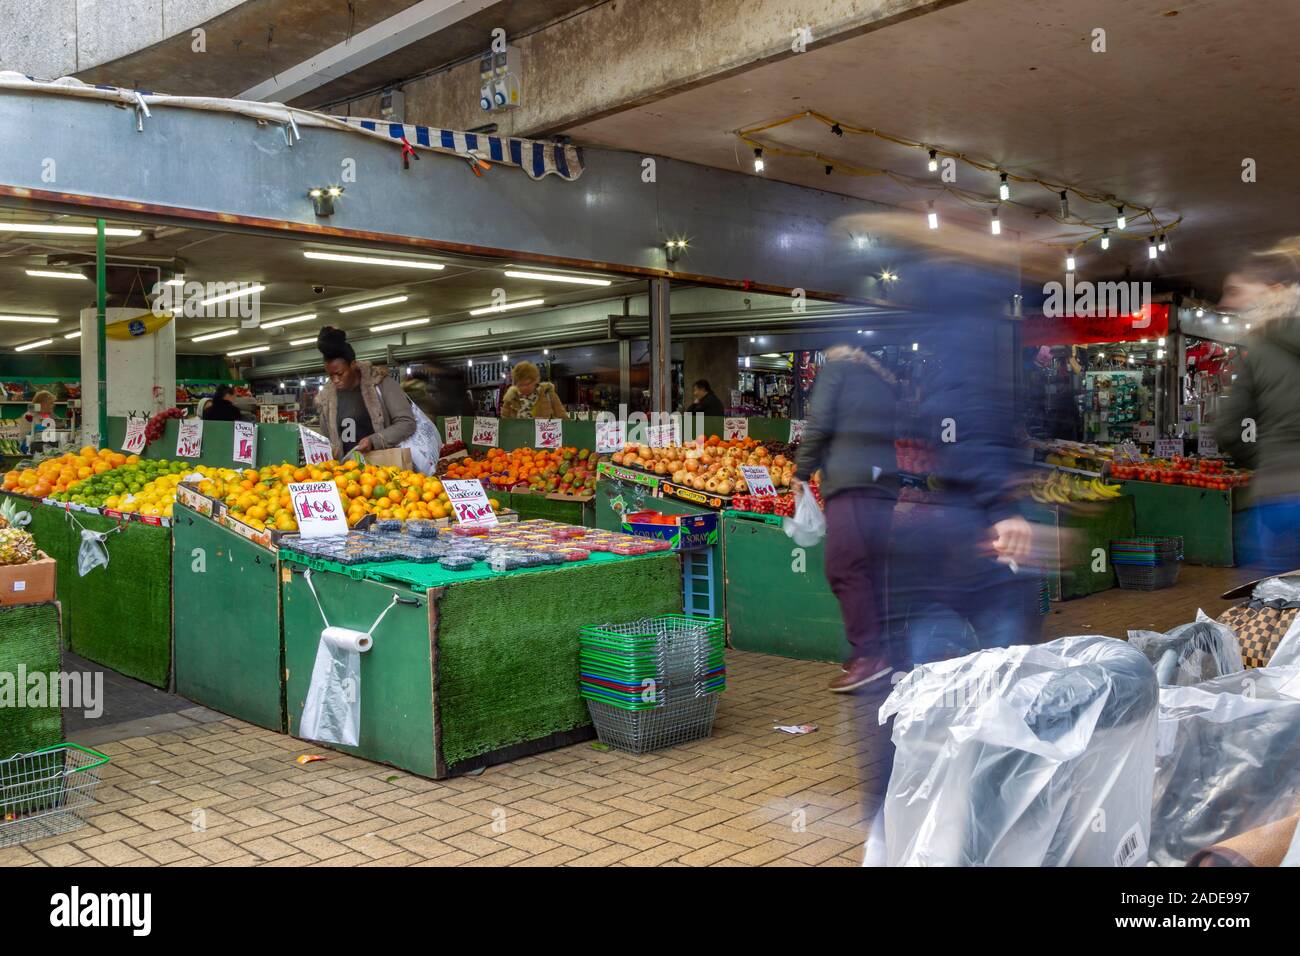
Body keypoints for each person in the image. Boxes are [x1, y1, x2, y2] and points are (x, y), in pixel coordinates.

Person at [793, 345, 900, 693]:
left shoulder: (836, 372)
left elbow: (820, 424)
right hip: (881, 484)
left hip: (851, 484)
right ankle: (882, 652)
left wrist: (802, 471)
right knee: (872, 568)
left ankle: (870, 656)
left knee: (844, 566)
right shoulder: (880, 380)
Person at [1215, 241, 1300, 577]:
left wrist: (1268, 458)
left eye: (1237, 292)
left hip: (1279, 495)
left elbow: (1227, 430)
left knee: (1274, 606)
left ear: (1275, 291)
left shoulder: (1259, 348)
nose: (1227, 303)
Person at [315, 326, 415, 459]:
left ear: (353, 365)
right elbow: (327, 437)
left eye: (339, 374)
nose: (335, 380)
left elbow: (406, 422)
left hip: (383, 467)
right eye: (330, 375)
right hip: (346, 472)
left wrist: (374, 441)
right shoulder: (327, 398)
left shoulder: (380, 383)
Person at [500, 360, 567, 419]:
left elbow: (564, 421)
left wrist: (546, 423)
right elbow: (505, 425)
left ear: (536, 380)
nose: (524, 387)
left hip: (545, 433)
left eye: (527, 384)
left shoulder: (548, 394)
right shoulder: (510, 399)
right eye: (520, 385)